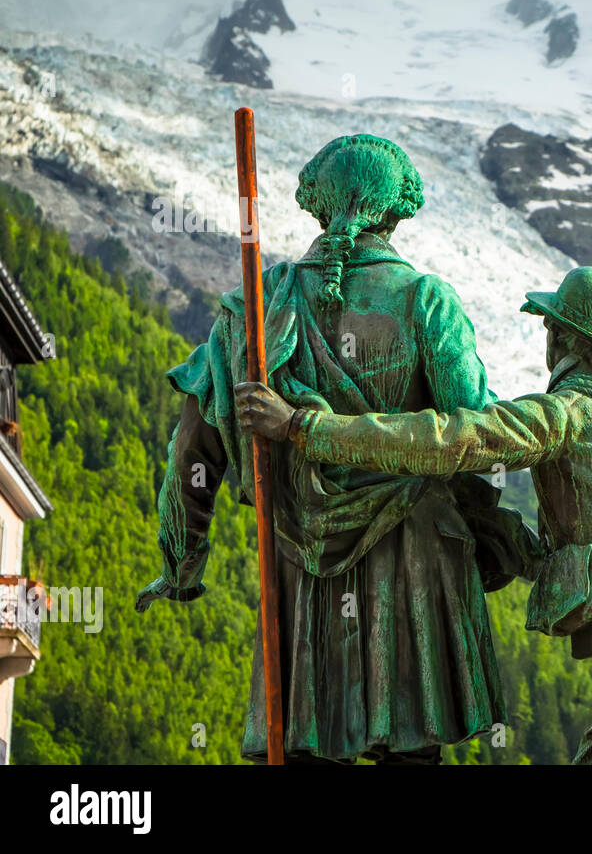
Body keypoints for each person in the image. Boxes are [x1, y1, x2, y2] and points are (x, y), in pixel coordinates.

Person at [237, 236, 592, 764]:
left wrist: (303, 427)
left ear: (558, 337)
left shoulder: (561, 416)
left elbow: (444, 440)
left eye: (550, 327)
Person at [137, 134, 536, 764]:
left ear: (318, 205)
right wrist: (492, 528)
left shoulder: (257, 308)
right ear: (396, 210)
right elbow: (478, 443)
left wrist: (182, 560)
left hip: (304, 565)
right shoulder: (428, 303)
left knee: (307, 749)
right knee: (412, 749)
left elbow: (192, 448)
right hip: (420, 558)